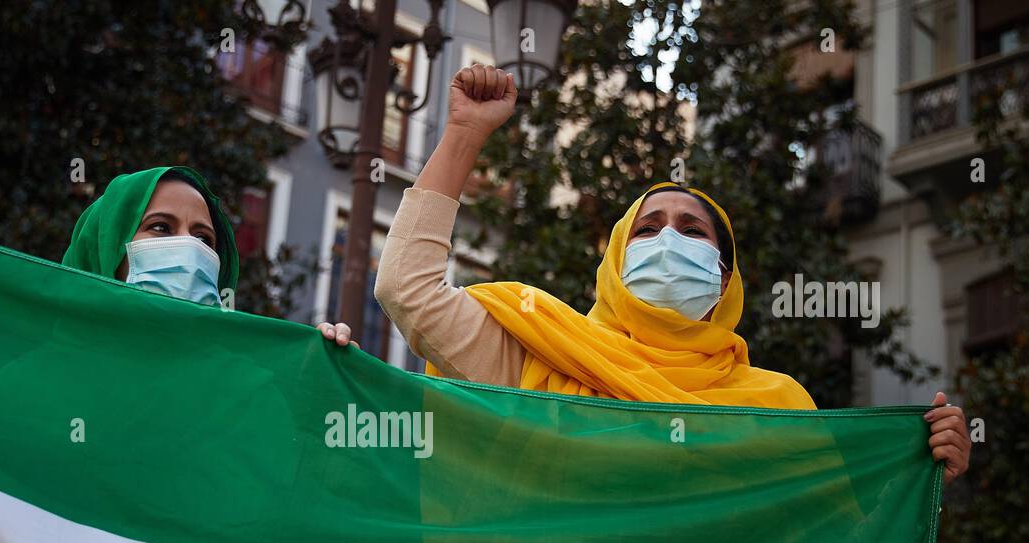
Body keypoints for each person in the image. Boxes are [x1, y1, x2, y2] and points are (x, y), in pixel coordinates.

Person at [347, 65, 969, 483]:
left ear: (726, 280)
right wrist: (462, 134)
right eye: (646, 230)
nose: (668, 239)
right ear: (614, 266)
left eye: (693, 231)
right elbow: (407, 289)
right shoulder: (538, 358)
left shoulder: (778, 408)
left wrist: (921, 473)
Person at [63, 165, 351, 346]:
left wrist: (319, 365)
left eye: (204, 238)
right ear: (106, 246)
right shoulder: (42, 366)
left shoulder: (239, 382)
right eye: (161, 227)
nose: (190, 249)